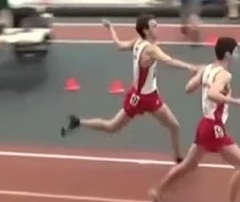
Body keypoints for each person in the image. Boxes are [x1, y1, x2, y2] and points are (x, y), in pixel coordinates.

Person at [61, 15, 198, 161]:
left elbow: (119, 45)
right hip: (146, 98)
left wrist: (110, 29)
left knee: (112, 126)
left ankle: (79, 122)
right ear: (146, 31)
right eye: (154, 26)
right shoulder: (151, 49)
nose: (157, 28)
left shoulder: (137, 42)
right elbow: (170, 61)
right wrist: (190, 66)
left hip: (140, 96)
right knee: (173, 126)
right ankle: (178, 158)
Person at [148, 36, 240, 202]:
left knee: (188, 166)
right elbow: (213, 94)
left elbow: (188, 88)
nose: (238, 55)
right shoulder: (224, 74)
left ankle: (158, 192)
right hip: (214, 126)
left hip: (204, 124)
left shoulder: (207, 69)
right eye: (236, 51)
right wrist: (235, 101)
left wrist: (200, 78)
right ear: (228, 54)